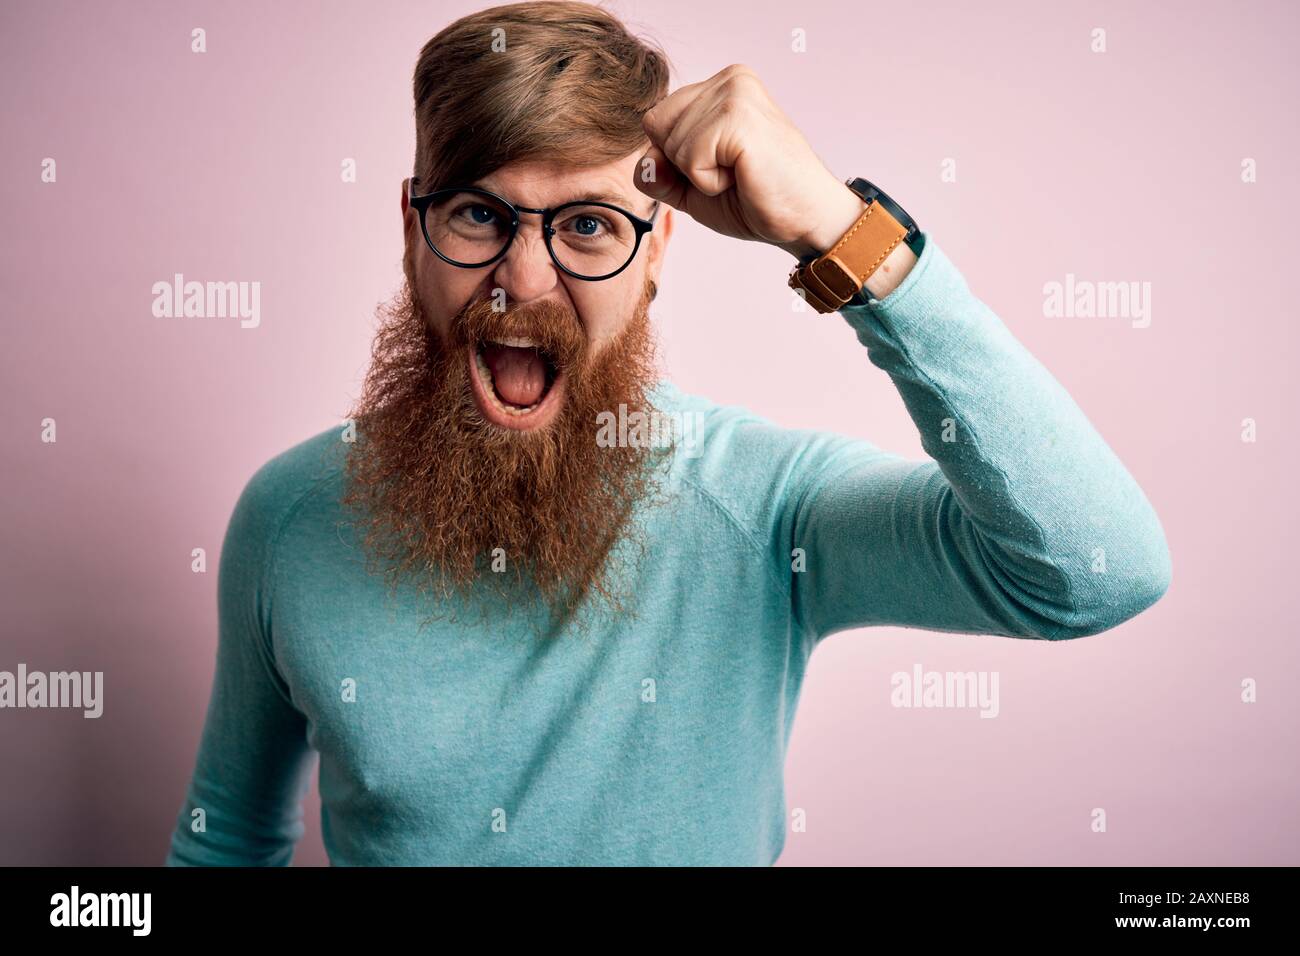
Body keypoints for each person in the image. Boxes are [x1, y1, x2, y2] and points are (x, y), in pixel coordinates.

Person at [166, 0, 1171, 867]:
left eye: (589, 226)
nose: (523, 281)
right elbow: (227, 838)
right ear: (409, 226)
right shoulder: (290, 515)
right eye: (478, 214)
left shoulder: (762, 506)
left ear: (657, 255)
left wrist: (837, 228)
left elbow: (1096, 568)